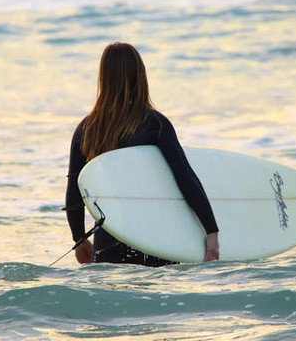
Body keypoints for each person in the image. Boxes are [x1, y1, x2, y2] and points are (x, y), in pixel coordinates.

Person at [65, 42, 219, 266]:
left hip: (108, 240)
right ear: (140, 75)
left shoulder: (87, 129)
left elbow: (74, 191)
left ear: (103, 79)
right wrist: (211, 230)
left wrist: (79, 239)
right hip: (154, 238)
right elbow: (184, 177)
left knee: (113, 299)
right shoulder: (155, 124)